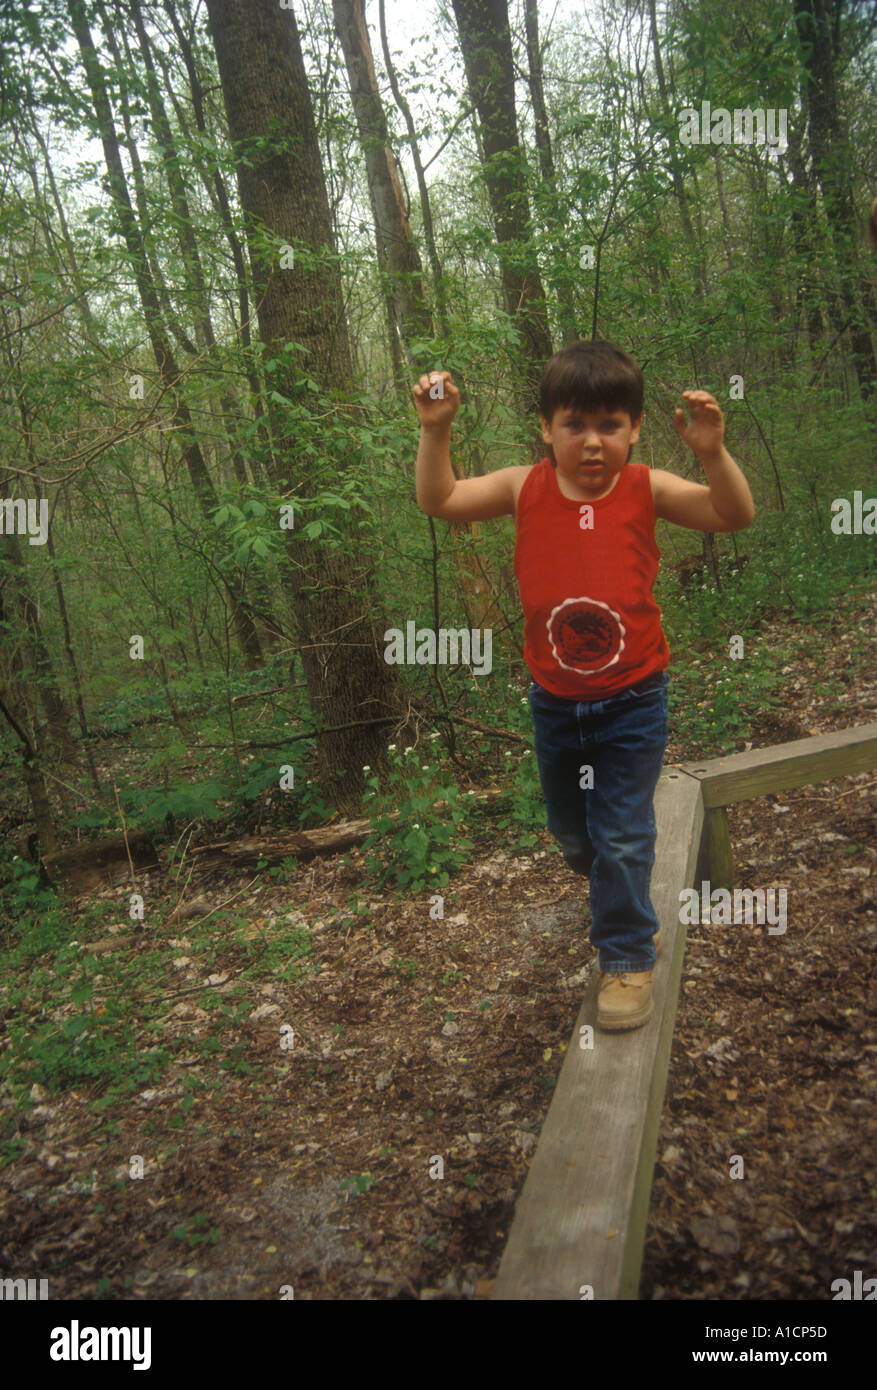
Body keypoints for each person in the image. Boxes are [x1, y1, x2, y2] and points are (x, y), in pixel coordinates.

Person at [413, 340, 755, 1030]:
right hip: (555, 705)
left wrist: (713, 453)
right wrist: (436, 430)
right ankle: (625, 909)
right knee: (577, 840)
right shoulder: (522, 486)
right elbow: (441, 499)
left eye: (609, 425)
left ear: (633, 429)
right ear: (546, 428)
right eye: (575, 425)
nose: (592, 443)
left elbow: (733, 515)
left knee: (622, 835)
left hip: (634, 698)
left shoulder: (646, 487)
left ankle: (626, 957)